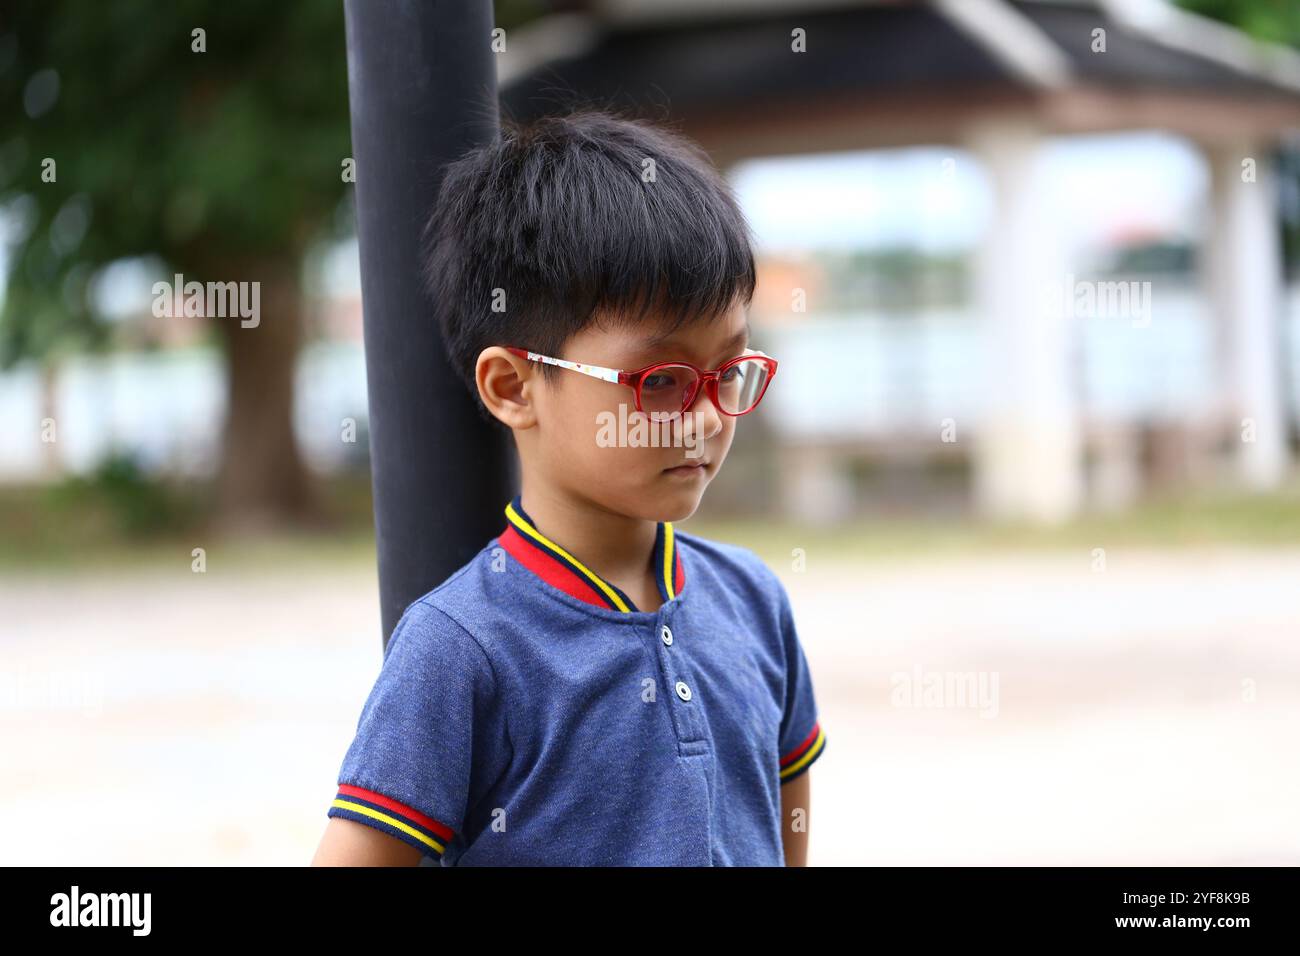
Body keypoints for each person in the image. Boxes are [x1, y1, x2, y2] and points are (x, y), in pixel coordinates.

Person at [311, 109, 826, 866]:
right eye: (662, 381)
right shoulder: (463, 650)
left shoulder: (753, 603)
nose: (708, 414)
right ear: (514, 386)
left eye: (728, 371)